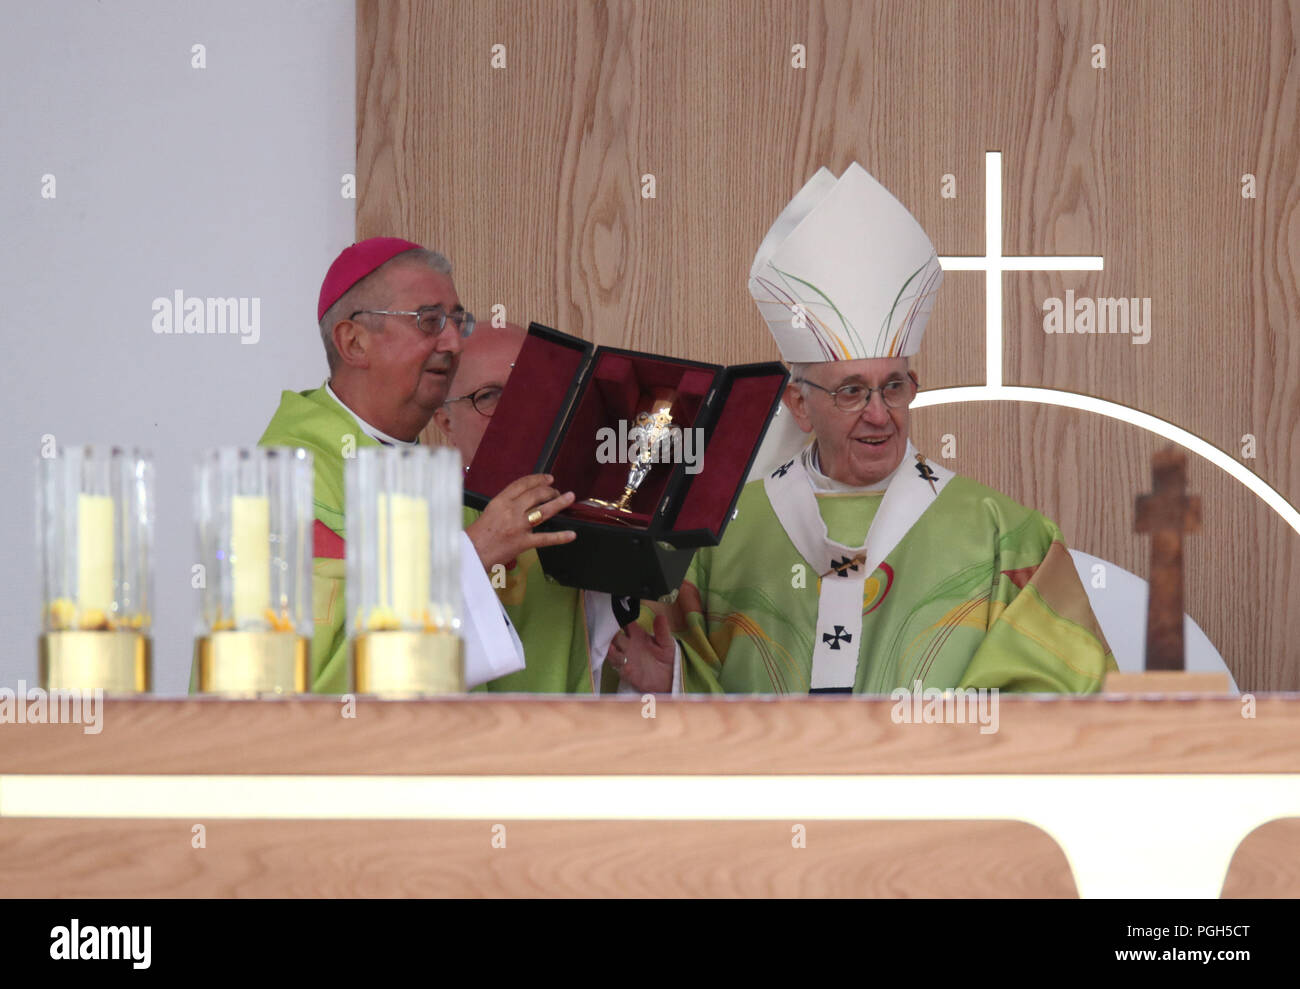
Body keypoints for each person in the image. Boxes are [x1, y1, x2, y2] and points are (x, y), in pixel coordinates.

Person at [608, 164, 1117, 694]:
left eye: (893, 386)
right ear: (799, 405)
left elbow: (1071, 699)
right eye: (851, 391)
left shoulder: (1007, 540)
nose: (879, 414)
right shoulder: (720, 537)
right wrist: (671, 682)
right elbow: (675, 687)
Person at [257, 237, 577, 692]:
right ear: (354, 342)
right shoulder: (286, 482)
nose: (453, 342)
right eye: (429, 322)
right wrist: (472, 555)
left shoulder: (455, 488)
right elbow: (283, 687)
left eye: (457, 322)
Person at [431, 322, 620, 693]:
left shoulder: (599, 501)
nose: (517, 412)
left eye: (529, 391)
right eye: (489, 396)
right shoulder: (417, 521)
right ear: (445, 422)